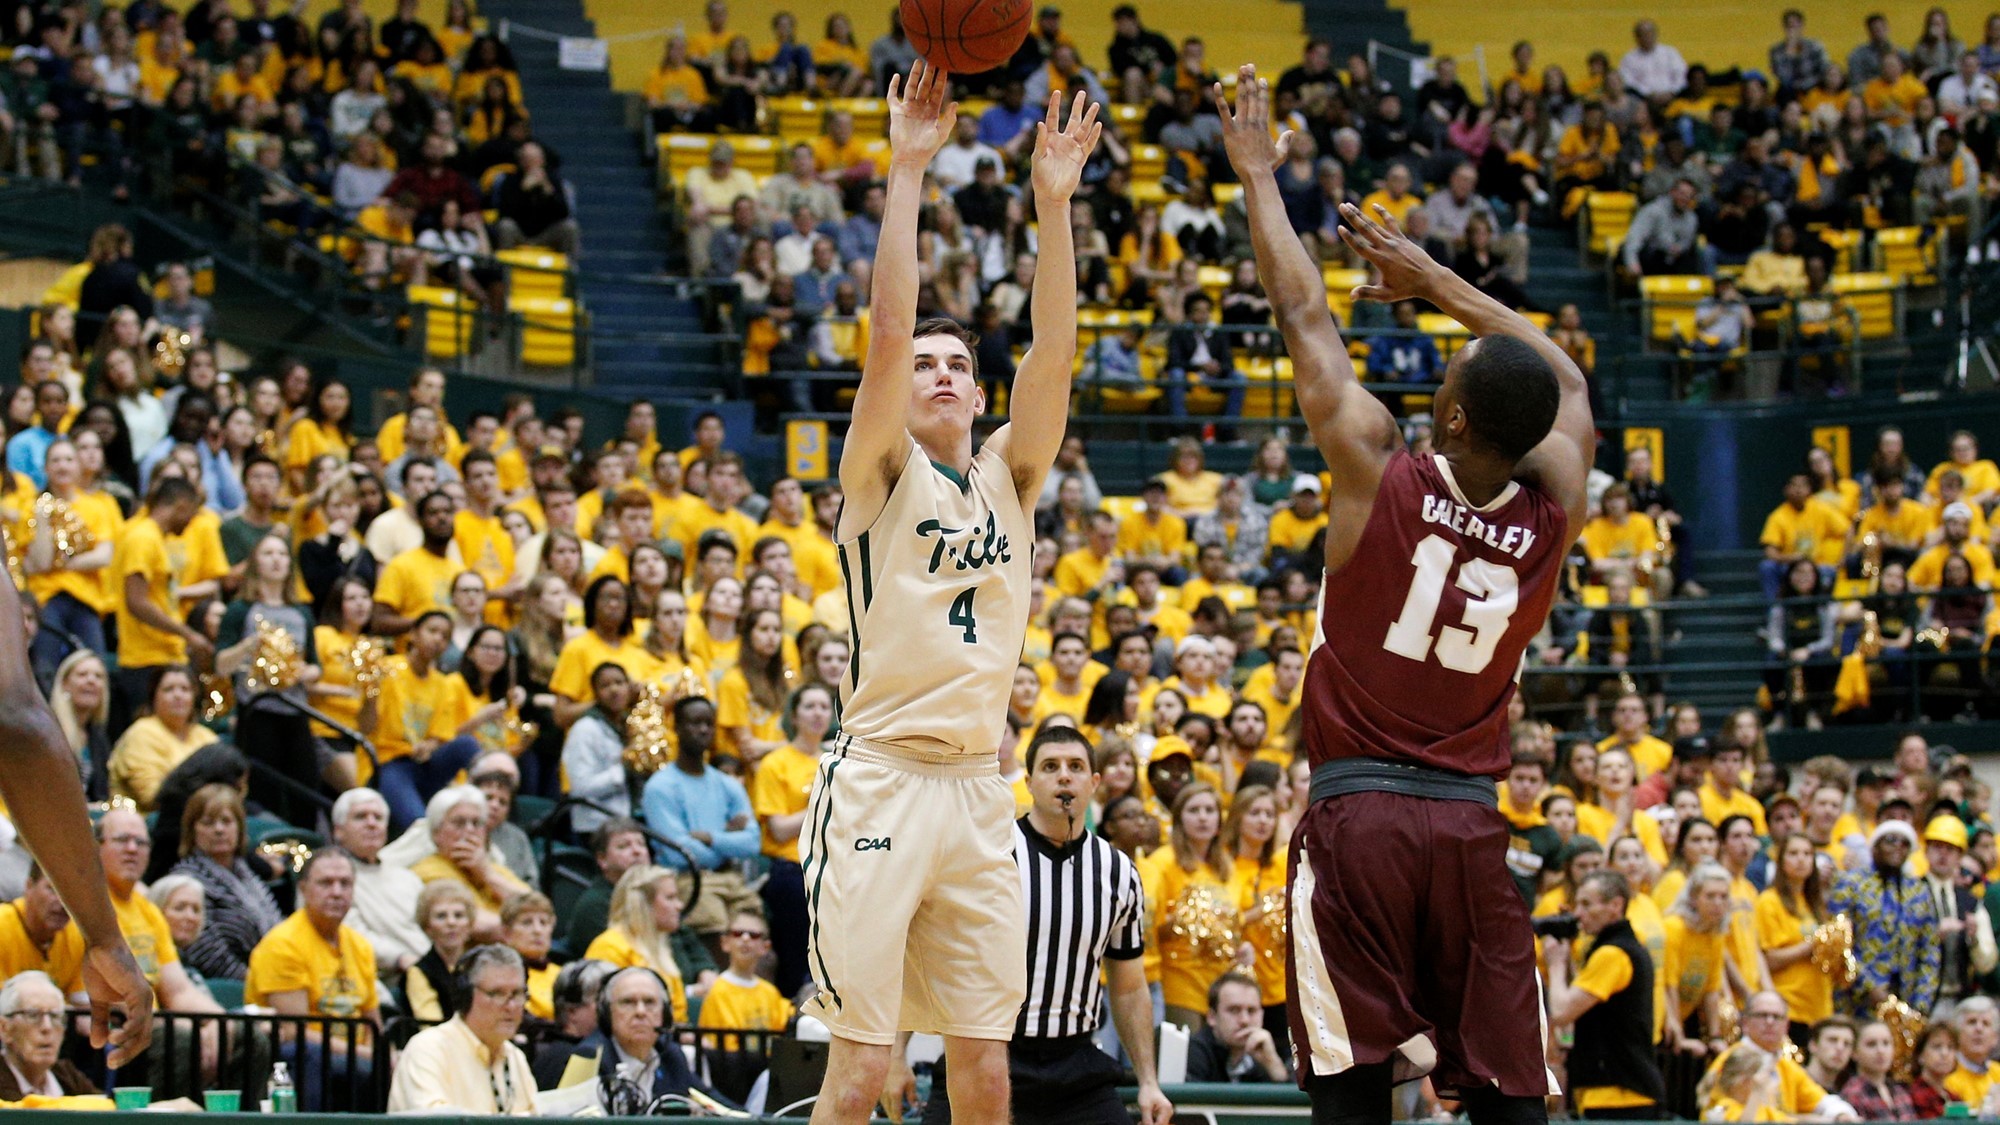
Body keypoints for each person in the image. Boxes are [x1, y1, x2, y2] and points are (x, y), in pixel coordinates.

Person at [1217, 65, 1589, 1121]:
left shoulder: (1374, 462)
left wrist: (1256, 177)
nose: (1438, 379)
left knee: (1351, 1084)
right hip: (1471, 829)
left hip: (1360, 818)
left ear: (1456, 422)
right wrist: (1439, 285)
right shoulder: (1553, 503)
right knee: (1511, 1094)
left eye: (1452, 373)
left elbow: (1299, 314)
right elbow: (1562, 381)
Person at [801, 63, 1100, 1125]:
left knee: (980, 1067)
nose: (931, 370)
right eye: (922, 361)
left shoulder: (1010, 476)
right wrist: (906, 167)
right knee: (860, 1073)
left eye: (953, 364)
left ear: (977, 393)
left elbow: (1054, 355)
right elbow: (884, 335)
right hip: (879, 779)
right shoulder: (880, 474)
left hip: (980, 790)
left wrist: (1053, 208)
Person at [909, 726, 1170, 1125]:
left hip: (1077, 1066)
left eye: (1076, 766)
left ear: (1094, 783)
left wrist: (1149, 1081)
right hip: (987, 1052)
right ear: (1028, 782)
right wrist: (896, 1056)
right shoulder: (987, 854)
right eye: (1050, 766)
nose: (1064, 775)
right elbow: (923, 953)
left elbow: (1130, 987)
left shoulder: (1119, 871)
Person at [243, 848, 379, 1111]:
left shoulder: (360, 946)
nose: (337, 891)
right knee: (311, 1056)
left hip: (352, 1052)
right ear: (303, 888)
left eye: (345, 884)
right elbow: (296, 1031)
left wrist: (384, 1053)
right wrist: (368, 1055)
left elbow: (372, 1022)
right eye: (326, 883)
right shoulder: (283, 944)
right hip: (304, 1057)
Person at [1540, 870, 1664, 1118]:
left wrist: (1555, 963)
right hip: (1615, 1091)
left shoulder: (1613, 954)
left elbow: (1563, 1011)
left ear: (1615, 905)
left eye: (1587, 904)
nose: (1578, 914)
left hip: (1618, 1094)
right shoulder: (1621, 948)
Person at [642, 696, 763, 937]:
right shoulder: (660, 787)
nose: (703, 729)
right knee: (721, 937)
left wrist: (711, 837)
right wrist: (728, 839)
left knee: (756, 938)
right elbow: (682, 854)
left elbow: (753, 842)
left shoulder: (728, 784)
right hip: (688, 881)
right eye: (694, 723)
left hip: (731, 879)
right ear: (676, 727)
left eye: (709, 723)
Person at [551, 965, 732, 1113]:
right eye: (627, 1002)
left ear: (665, 1014)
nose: (640, 1012)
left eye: (649, 1002)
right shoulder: (589, 1056)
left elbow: (716, 1104)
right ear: (607, 1013)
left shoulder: (670, 1055)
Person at [387, 943, 539, 1114]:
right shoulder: (427, 1049)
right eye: (497, 993)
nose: (511, 1006)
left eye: (518, 994)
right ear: (466, 995)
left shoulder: (514, 1057)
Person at [330, 789, 428, 975]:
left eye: (378, 817)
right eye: (360, 817)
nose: (371, 824)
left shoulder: (407, 877)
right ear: (338, 830)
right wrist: (399, 958)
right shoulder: (330, 880)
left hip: (428, 968)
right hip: (383, 975)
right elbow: (347, 933)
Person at [0, 971, 99, 1098]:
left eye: (55, 1016)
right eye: (33, 1015)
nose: (47, 1027)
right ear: (4, 1029)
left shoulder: (68, 1078)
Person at [563, 818, 651, 956]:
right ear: (602, 860)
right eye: (624, 846)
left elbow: (687, 943)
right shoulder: (594, 905)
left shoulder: (656, 894)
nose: (637, 851)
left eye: (641, 844)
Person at [1186, 971, 1289, 1083]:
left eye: (1251, 1011)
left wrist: (1273, 1065)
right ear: (1212, 1017)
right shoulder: (1193, 1053)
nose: (1244, 1020)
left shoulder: (1266, 1054)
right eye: (1234, 1010)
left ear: (1262, 1015)